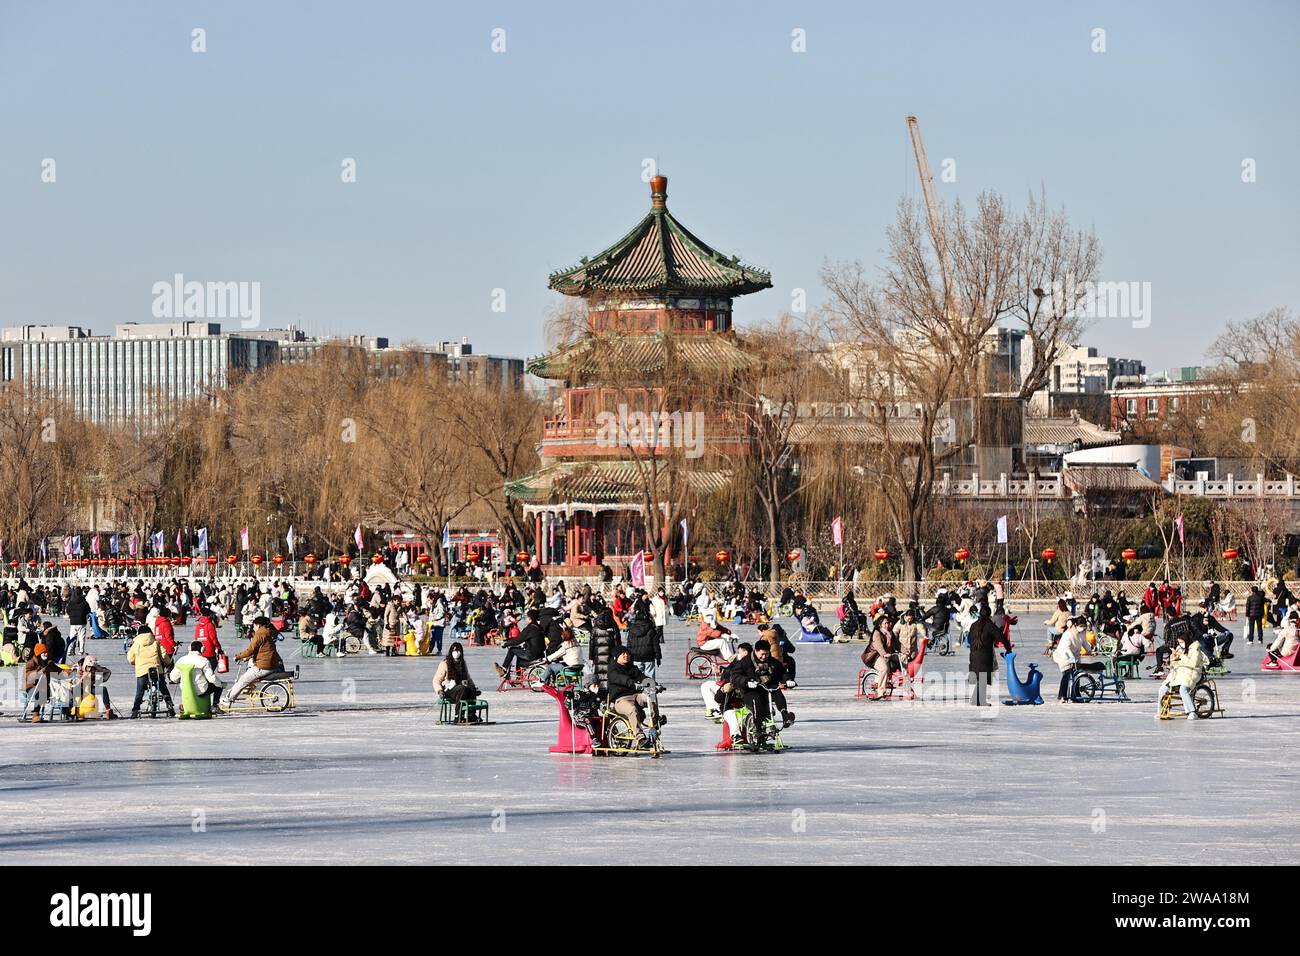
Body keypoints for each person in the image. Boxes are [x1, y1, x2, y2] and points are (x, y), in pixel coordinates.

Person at [730, 638, 792, 738]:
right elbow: (735, 676)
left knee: (776, 690)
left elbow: (782, 673)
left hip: (766, 688)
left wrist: (788, 680)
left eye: (766, 654)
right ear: (756, 651)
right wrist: (746, 681)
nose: (764, 657)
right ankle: (758, 729)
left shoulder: (772, 661)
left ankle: (785, 715)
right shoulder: (746, 661)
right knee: (756, 699)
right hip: (749, 690)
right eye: (762, 654)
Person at [223, 617, 284, 709]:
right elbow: (261, 650)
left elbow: (250, 650)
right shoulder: (267, 632)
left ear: (258, 625)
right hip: (271, 664)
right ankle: (234, 694)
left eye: (254, 625)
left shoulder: (259, 634)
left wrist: (238, 656)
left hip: (263, 666)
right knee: (247, 676)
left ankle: (228, 699)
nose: (253, 628)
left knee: (242, 680)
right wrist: (247, 657)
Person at [606, 646, 656, 739]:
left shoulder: (632, 668)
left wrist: (654, 684)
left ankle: (655, 723)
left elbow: (642, 677)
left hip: (635, 696)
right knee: (632, 709)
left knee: (650, 699)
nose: (626, 655)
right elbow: (620, 678)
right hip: (620, 700)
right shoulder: (612, 669)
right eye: (623, 654)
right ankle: (639, 736)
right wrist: (631, 683)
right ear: (617, 656)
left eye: (627, 653)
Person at [1156, 631, 1208, 720]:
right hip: (1178, 673)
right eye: (1179, 642)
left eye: (1181, 642)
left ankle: (1192, 712)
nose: (1180, 644)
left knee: (1183, 689)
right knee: (1162, 689)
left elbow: (1193, 663)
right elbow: (1175, 662)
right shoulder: (1179, 649)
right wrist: (1173, 658)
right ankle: (1161, 711)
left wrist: (1181, 657)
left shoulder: (1195, 650)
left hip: (1191, 673)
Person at [126, 624, 175, 718]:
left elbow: (130, 658)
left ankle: (135, 710)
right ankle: (169, 705)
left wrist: (135, 662)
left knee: (139, 692)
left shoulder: (136, 644)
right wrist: (168, 663)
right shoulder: (156, 642)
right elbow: (164, 656)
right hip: (156, 669)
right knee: (163, 688)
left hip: (142, 671)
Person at [170, 640, 222, 718]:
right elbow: (211, 678)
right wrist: (221, 684)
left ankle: (186, 705)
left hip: (185, 690)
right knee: (218, 686)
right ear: (202, 649)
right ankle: (214, 706)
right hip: (200, 690)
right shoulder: (204, 660)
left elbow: (173, 678)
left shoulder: (181, 660)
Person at [433, 642, 482, 720]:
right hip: (449, 690)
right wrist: (439, 691)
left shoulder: (462, 663)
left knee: (470, 688)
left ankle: (471, 715)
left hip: (461, 688)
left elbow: (468, 678)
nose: (456, 653)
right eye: (454, 650)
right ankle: (458, 715)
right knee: (462, 689)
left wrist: (474, 687)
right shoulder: (444, 664)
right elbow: (436, 680)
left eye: (458, 650)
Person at [967, 603, 999, 706]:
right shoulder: (990, 625)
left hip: (974, 655)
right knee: (983, 678)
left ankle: (975, 699)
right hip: (985, 656)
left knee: (980, 678)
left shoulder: (974, 625)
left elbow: (968, 640)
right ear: (989, 614)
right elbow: (1000, 637)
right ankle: (980, 701)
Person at [1052, 616, 1087, 703]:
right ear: (1076, 625)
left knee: (1077, 675)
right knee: (1067, 674)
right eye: (1081, 626)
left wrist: (1090, 650)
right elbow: (1066, 648)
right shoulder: (1068, 633)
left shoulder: (1082, 633)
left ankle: (1075, 695)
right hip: (1063, 655)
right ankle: (1063, 696)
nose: (1082, 628)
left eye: (1084, 626)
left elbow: (1084, 642)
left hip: (1075, 655)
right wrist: (1071, 658)